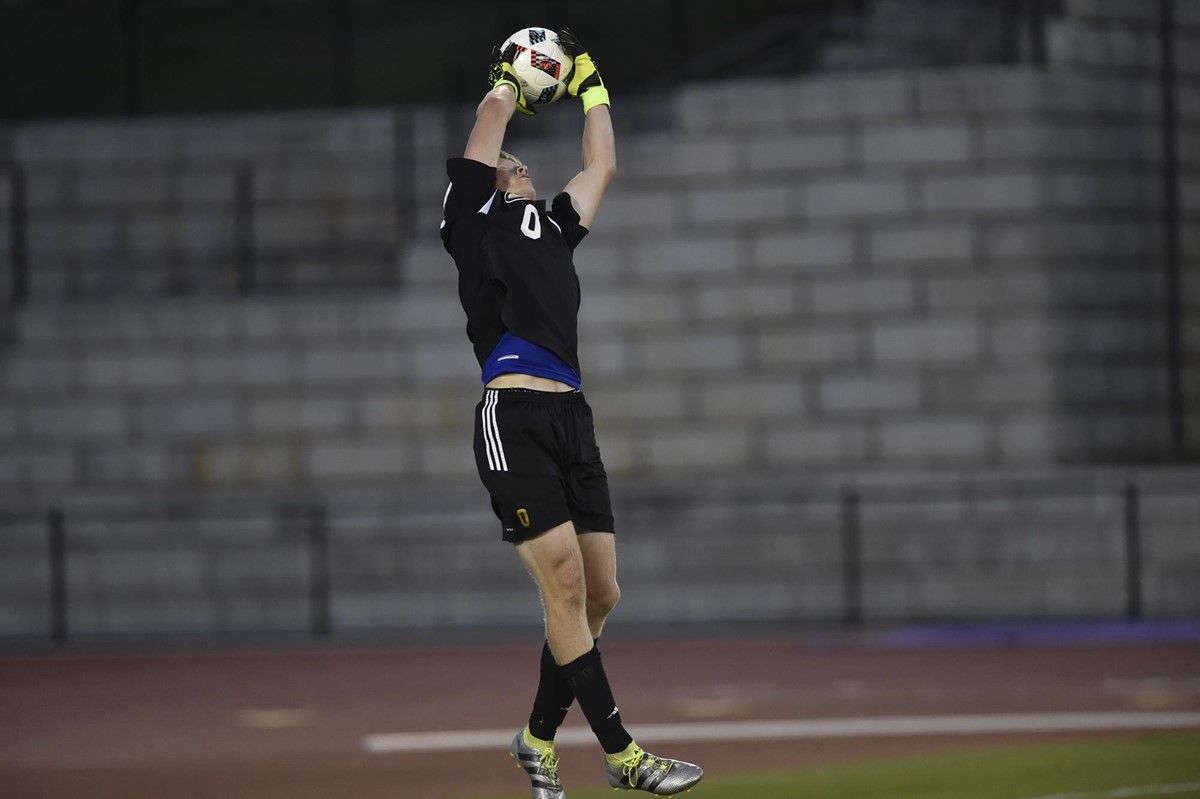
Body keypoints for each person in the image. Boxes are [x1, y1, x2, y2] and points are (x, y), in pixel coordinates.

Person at [438, 28, 703, 798]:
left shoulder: (552, 224)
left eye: (520, 162)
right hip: (512, 412)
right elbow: (488, 127)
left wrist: (591, 86)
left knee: (600, 592)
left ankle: (534, 738)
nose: (518, 162)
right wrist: (509, 87)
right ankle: (624, 756)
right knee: (559, 585)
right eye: (506, 162)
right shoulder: (471, 221)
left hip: (572, 418)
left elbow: (605, 164)